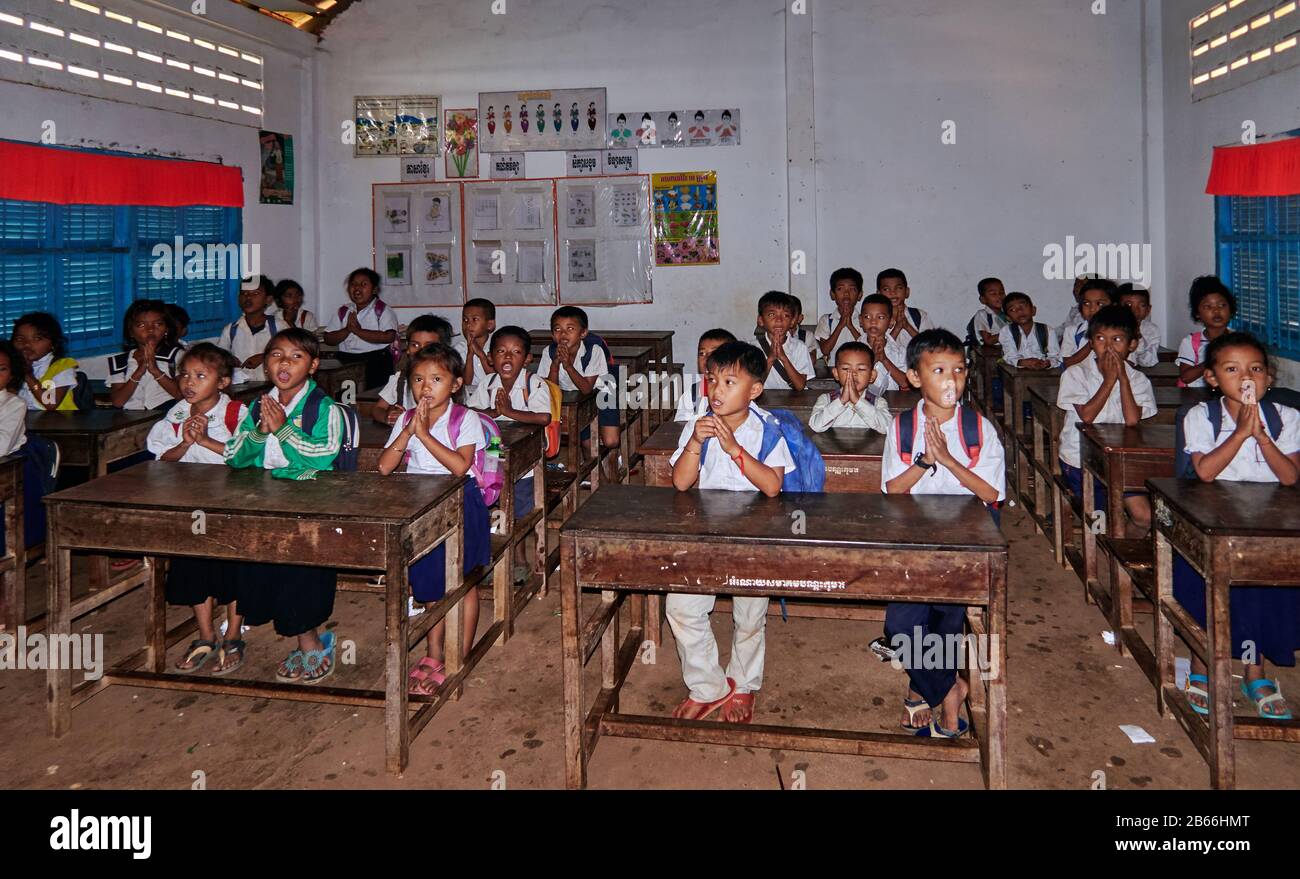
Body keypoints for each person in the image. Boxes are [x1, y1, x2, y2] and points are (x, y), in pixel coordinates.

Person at [667, 341, 796, 724]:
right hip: (705, 531)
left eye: (729, 381)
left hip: (755, 535)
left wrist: (734, 448)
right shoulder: (697, 425)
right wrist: (695, 442)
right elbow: (681, 483)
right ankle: (709, 687)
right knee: (681, 607)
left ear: (754, 390)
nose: (716, 390)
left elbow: (772, 487)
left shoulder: (768, 430)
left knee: (750, 615)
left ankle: (743, 685)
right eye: (712, 380)